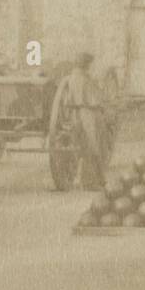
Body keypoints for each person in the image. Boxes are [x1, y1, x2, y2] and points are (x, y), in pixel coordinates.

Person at [64, 52, 109, 188]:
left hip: (75, 114)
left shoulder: (71, 77)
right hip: (89, 113)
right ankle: (90, 182)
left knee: (84, 146)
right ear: (87, 64)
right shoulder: (86, 79)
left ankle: (93, 180)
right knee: (93, 146)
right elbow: (97, 99)